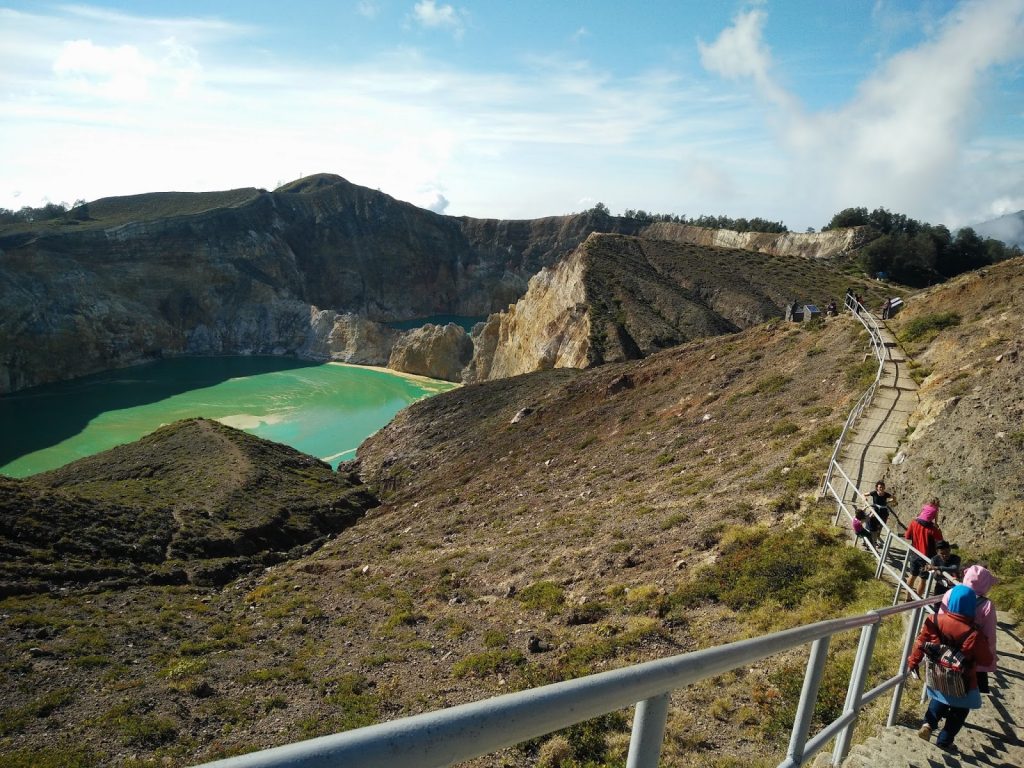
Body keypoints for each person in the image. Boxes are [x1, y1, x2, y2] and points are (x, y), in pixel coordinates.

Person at [907, 584, 994, 753]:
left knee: (939, 698)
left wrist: (913, 663)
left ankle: (928, 724)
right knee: (960, 710)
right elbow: (986, 658)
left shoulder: (933, 620)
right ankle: (945, 740)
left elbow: (920, 643)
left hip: (938, 673)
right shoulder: (974, 634)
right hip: (964, 679)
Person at [943, 565, 998, 694]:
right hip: (972, 655)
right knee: (969, 693)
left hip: (950, 649)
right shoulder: (987, 605)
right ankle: (959, 711)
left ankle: (937, 712)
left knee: (945, 686)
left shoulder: (951, 593)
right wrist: (989, 657)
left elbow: (941, 619)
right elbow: (989, 634)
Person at [905, 499, 943, 596]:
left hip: (914, 554)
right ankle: (917, 605)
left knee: (912, 576)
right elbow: (941, 542)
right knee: (922, 580)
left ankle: (907, 597)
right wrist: (938, 529)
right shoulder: (933, 530)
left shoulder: (914, 523)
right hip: (926, 558)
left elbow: (907, 536)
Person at [863, 481, 896, 545]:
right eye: (880, 487)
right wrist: (865, 498)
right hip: (875, 510)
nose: (881, 489)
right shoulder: (874, 493)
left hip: (883, 512)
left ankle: (876, 539)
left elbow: (894, 498)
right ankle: (866, 540)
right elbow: (864, 494)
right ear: (877, 488)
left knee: (880, 526)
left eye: (883, 487)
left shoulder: (886, 494)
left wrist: (888, 502)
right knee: (870, 523)